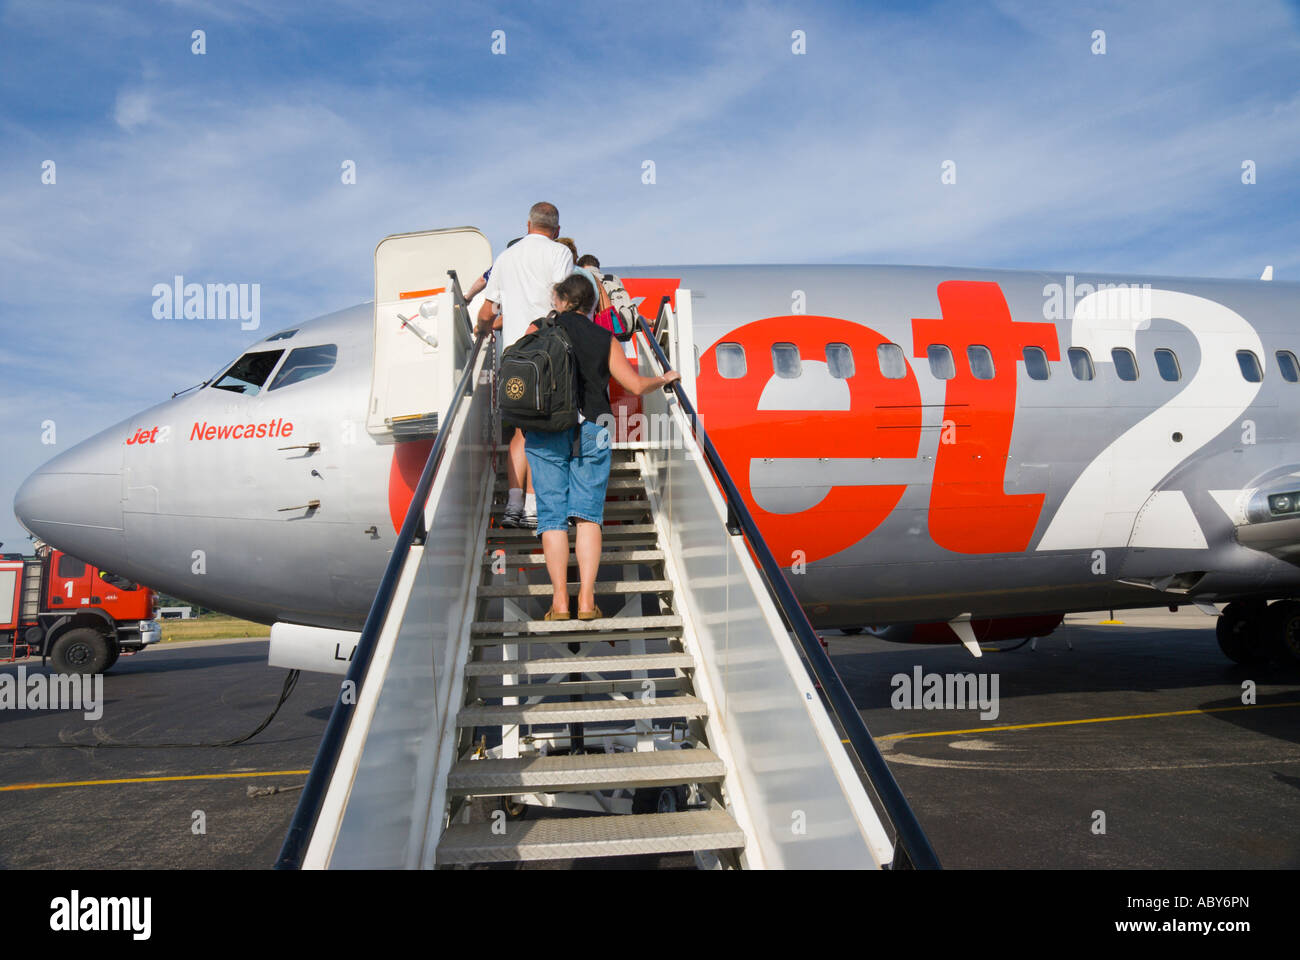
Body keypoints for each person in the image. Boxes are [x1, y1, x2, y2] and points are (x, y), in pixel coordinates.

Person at [523, 274, 680, 621]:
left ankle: (560, 602)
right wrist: (663, 379)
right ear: (592, 305)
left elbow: (519, 373)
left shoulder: (538, 329)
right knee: (587, 516)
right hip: (594, 426)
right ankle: (587, 601)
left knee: (552, 517)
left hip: (546, 428)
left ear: (561, 300)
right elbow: (635, 385)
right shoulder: (603, 336)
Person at [476, 205, 573, 528]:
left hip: (514, 357)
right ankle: (533, 507)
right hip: (548, 353)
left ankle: (513, 504)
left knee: (519, 430)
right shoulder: (559, 253)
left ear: (528, 224)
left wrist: (481, 331)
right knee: (543, 429)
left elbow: (488, 311)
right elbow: (563, 302)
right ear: (556, 230)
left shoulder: (506, 258)